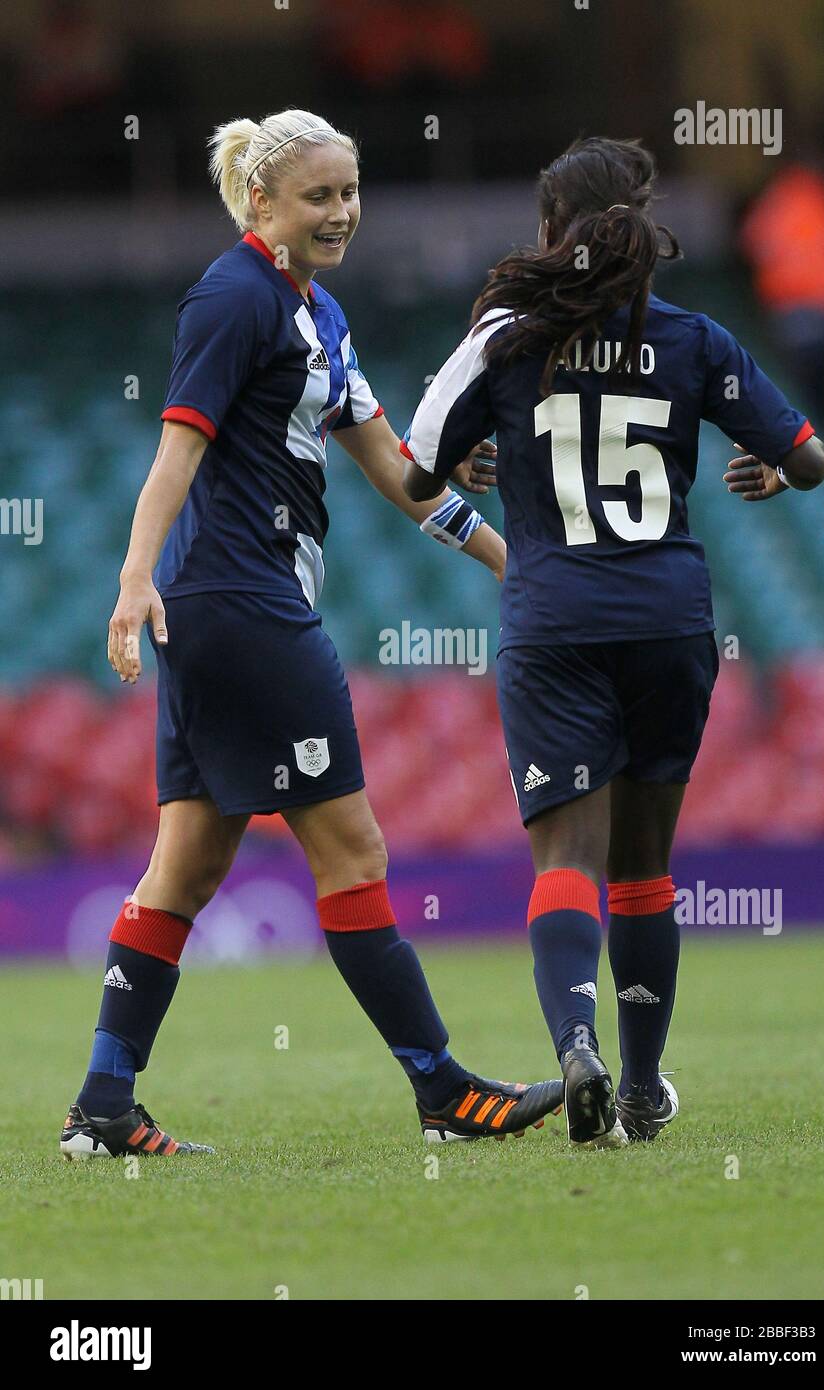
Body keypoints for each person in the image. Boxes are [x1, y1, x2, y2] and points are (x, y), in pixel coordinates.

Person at [59, 107, 563, 1160]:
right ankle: (440, 1087)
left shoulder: (316, 313)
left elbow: (391, 467)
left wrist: (515, 564)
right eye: (317, 196)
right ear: (261, 203)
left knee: (186, 869)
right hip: (243, 608)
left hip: (225, 613)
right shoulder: (232, 297)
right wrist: (132, 574)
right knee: (355, 851)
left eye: (349, 191)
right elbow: (177, 446)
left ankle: (105, 1104)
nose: (340, 212)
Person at [402, 136, 824, 1148]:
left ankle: (573, 1044)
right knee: (642, 863)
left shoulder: (505, 338)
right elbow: (808, 458)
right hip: (667, 621)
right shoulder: (692, 338)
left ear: (551, 232)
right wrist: (770, 472)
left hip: (553, 621)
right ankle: (639, 1090)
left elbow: (416, 468)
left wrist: (474, 457)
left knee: (565, 854)